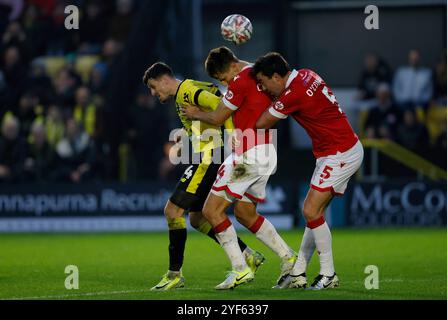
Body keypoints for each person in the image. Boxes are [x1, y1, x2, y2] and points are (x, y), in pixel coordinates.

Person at [142, 62, 265, 291]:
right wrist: (188, 137)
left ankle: (174, 274)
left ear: (164, 80)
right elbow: (212, 103)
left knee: (172, 211)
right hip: (209, 154)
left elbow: (220, 104)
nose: (153, 92)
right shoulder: (187, 90)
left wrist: (231, 135)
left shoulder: (187, 91)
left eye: (152, 86)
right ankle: (248, 255)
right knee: (198, 219)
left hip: (208, 158)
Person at [181, 47, 296, 290]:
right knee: (245, 213)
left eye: (222, 77)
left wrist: (195, 113)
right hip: (266, 152)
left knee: (211, 211)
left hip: (249, 154)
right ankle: (290, 259)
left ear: (231, 66)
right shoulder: (257, 72)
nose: (224, 82)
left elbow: (217, 118)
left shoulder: (240, 81)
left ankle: (240, 269)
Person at [253, 52, 364, 290]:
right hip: (336, 150)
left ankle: (329, 274)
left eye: (263, 82)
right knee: (314, 214)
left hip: (339, 152)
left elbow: (261, 123)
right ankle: (298, 273)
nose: (263, 88)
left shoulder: (295, 93)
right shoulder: (307, 74)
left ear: (276, 76)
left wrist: (255, 100)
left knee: (310, 210)